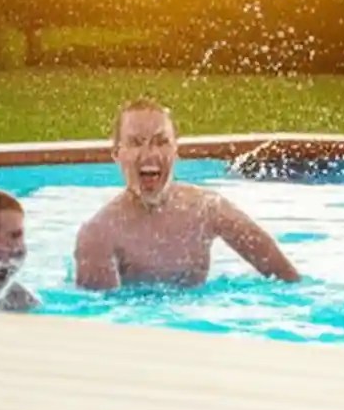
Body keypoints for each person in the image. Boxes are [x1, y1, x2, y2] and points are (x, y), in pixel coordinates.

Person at [74, 97, 300, 290]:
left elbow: (288, 280)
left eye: (161, 142)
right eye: (135, 143)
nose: (149, 154)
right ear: (116, 154)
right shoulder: (99, 235)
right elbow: (98, 318)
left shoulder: (207, 209)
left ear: (176, 150)